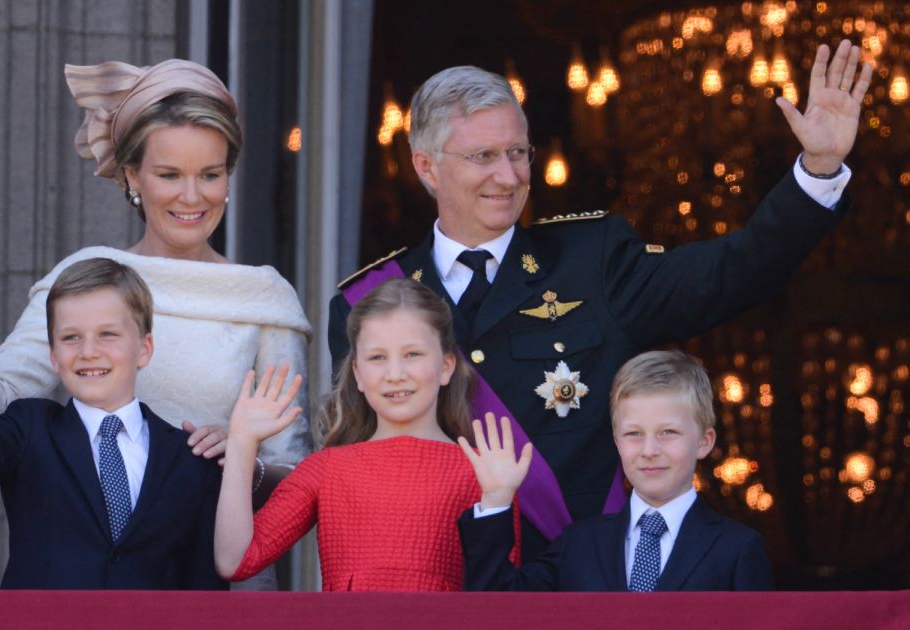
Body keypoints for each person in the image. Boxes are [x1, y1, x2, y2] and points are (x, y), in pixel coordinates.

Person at [329, 41, 872, 562]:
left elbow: (731, 273)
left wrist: (817, 171)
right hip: (429, 581)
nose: (510, 175)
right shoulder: (365, 304)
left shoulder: (595, 261)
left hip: (576, 583)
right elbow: (351, 466)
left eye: (519, 152)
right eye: (484, 156)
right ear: (426, 167)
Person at [0, 58, 311, 507]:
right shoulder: (87, 273)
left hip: (222, 566)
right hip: (95, 558)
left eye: (210, 175)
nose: (192, 196)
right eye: (169, 175)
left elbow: (296, 475)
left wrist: (242, 459)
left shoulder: (264, 296)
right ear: (132, 175)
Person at [0, 255, 224, 590]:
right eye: (71, 338)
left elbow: (205, 587)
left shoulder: (189, 458)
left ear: (144, 348)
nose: (88, 351)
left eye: (107, 334)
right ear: (53, 355)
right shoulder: (30, 430)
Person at [215, 278, 511, 591]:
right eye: (377, 357)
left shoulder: (485, 473)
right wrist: (242, 443)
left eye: (412, 354)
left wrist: (498, 495)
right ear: (357, 373)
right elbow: (236, 560)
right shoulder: (327, 468)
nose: (395, 375)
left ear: (446, 367)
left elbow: (503, 598)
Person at [459, 350, 773, 591]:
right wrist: (497, 498)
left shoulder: (738, 548)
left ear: (704, 442)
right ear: (616, 441)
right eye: (634, 434)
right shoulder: (579, 544)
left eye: (668, 433)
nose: (650, 450)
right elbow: (499, 605)